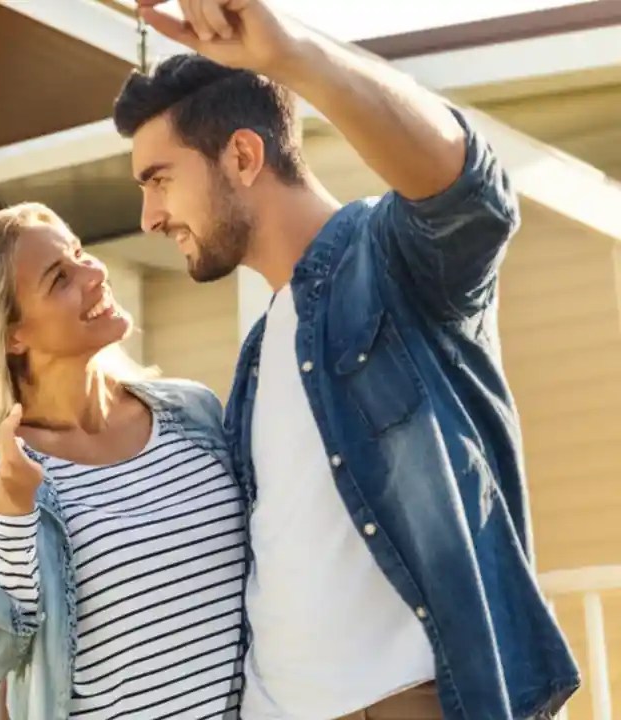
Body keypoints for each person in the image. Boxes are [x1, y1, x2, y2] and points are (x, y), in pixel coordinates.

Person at [111, 1, 579, 718]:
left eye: (159, 179)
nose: (149, 217)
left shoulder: (387, 264)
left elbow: (470, 196)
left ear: (242, 156)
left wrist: (293, 55)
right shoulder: (259, 358)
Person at [0, 202, 250, 719]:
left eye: (79, 254)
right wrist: (11, 510)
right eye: (60, 278)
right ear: (12, 334)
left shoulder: (193, 412)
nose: (94, 272)